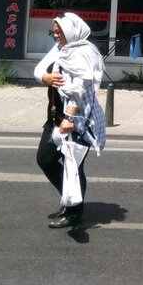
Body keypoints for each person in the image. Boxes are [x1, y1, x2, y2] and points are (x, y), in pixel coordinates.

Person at [33, 12, 107, 229]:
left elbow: (80, 88)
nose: (56, 36)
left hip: (75, 121)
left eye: (59, 32)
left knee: (73, 166)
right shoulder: (61, 49)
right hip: (55, 116)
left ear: (71, 31)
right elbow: (38, 70)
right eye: (54, 32)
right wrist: (46, 78)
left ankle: (74, 212)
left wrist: (70, 118)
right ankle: (70, 199)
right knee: (45, 159)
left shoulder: (82, 52)